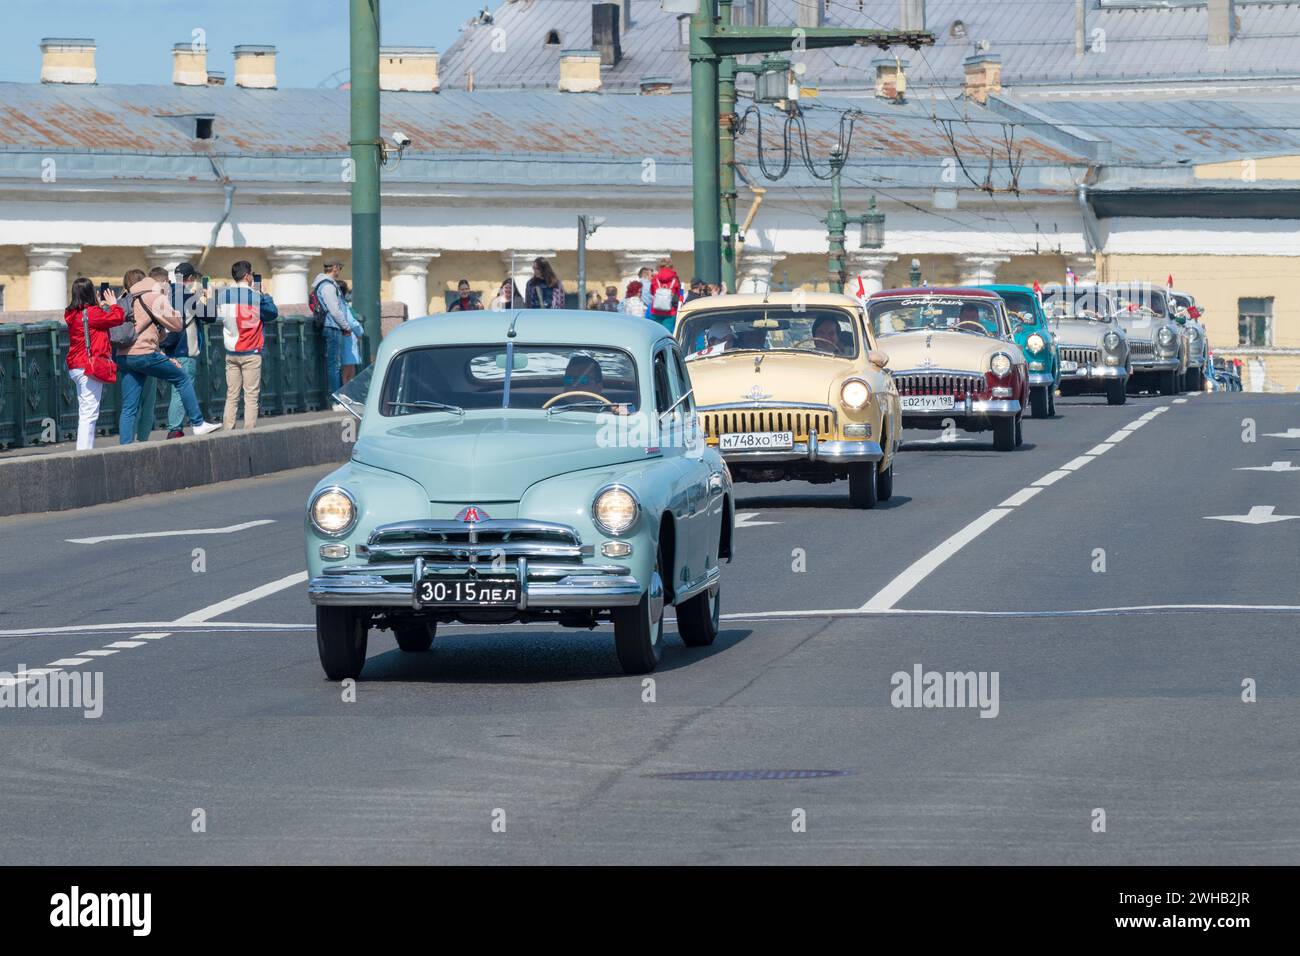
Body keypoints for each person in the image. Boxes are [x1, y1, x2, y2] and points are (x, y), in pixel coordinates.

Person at [117, 267, 221, 443]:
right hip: (145, 354)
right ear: (163, 282)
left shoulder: (125, 298)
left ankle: (124, 447)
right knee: (181, 379)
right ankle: (197, 423)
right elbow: (176, 325)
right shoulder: (154, 296)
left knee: (129, 407)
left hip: (124, 356)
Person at [63, 277, 125, 450]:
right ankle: (84, 452)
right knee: (89, 413)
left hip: (75, 366)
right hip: (89, 365)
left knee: (85, 409)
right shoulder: (92, 313)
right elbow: (117, 318)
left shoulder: (71, 313)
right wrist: (113, 304)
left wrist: (98, 305)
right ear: (91, 293)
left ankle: (84, 448)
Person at [218, 260, 279, 430]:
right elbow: (272, 313)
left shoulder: (223, 295)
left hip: (231, 351)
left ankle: (227, 429)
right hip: (251, 351)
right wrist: (265, 295)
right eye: (251, 274)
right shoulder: (255, 297)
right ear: (247, 276)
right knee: (251, 395)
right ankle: (248, 431)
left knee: (232, 394)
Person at [160, 262, 211, 439]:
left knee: (176, 388)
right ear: (190, 278)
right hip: (185, 350)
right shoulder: (189, 297)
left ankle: (175, 426)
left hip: (166, 349)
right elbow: (210, 316)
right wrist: (207, 296)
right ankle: (175, 429)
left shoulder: (166, 294)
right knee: (180, 390)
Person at [310, 259, 349, 396]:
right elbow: (335, 310)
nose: (339, 270)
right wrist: (346, 326)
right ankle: (335, 398)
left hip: (328, 326)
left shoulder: (323, 284)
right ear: (334, 268)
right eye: (339, 267)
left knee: (332, 364)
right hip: (332, 327)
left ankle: (334, 396)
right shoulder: (328, 286)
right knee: (334, 365)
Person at [336, 280, 365, 385]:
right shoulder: (343, 304)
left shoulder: (333, 303)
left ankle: (346, 391)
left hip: (339, 335)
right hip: (346, 337)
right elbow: (352, 322)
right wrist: (360, 332)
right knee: (348, 367)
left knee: (347, 366)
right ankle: (346, 392)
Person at [647, 257, 683, 331]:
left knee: (656, 333)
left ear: (660, 266)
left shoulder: (655, 278)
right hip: (670, 311)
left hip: (656, 310)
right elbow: (678, 294)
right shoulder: (675, 279)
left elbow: (652, 292)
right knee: (667, 333)